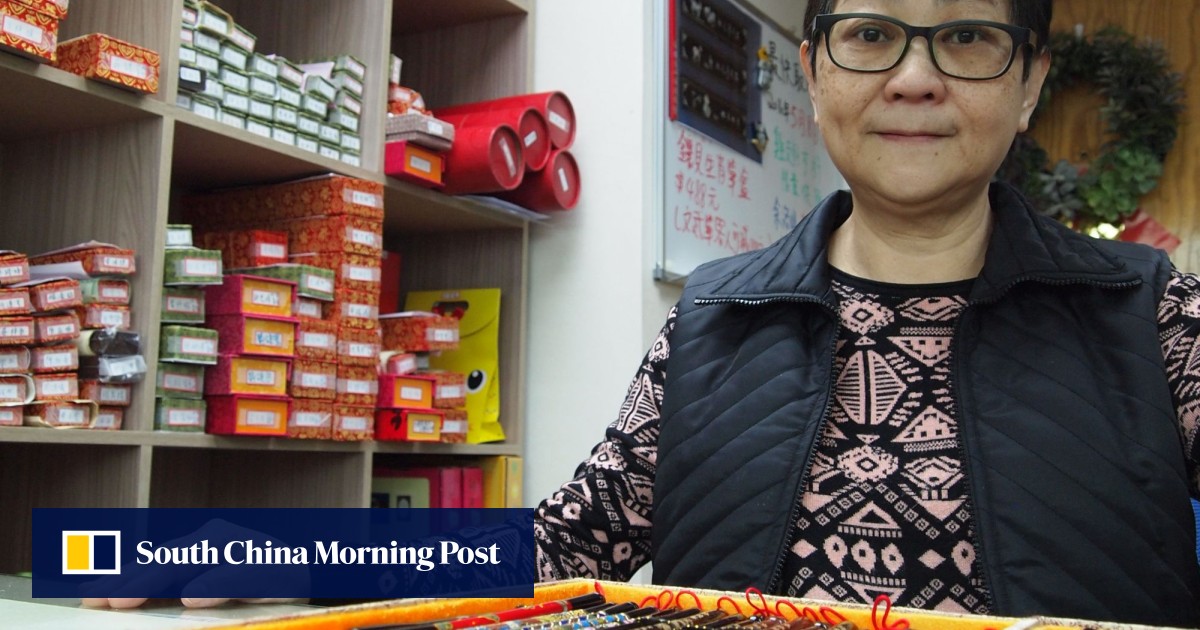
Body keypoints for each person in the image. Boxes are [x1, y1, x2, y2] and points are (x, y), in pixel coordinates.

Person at [532, 0, 1200, 626]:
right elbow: (570, 539)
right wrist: (425, 558)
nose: (914, 80)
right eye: (870, 35)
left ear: (1029, 84)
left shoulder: (1153, 311)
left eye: (966, 36)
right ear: (814, 78)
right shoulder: (712, 316)